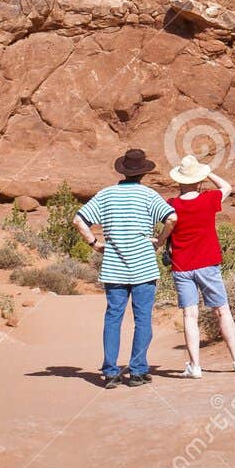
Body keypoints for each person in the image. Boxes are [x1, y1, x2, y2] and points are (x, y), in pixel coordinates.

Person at [72, 147, 175, 388]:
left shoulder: (106, 195)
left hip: (114, 267)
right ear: (143, 173)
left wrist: (95, 243)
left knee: (113, 318)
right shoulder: (149, 195)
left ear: (123, 170)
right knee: (142, 319)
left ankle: (110, 372)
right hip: (144, 267)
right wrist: (159, 241)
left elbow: (79, 220)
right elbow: (172, 218)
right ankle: (137, 371)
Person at [165, 153, 235, 379]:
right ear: (198, 179)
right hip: (207, 263)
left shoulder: (171, 205)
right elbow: (227, 187)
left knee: (190, 315)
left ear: (179, 180)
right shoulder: (208, 199)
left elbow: (165, 228)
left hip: (182, 266)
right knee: (221, 310)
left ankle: (194, 366)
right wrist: (208, 173)